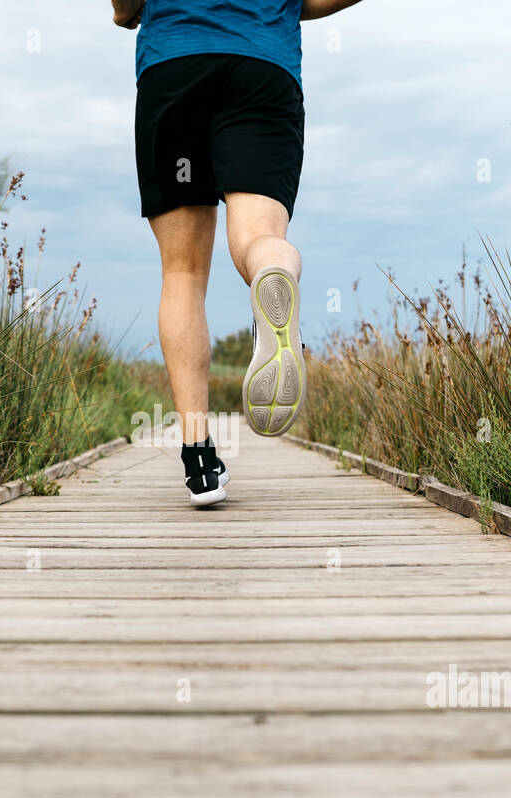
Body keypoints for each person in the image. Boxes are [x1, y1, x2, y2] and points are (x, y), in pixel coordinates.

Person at [111, 0, 364, 505]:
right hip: (261, 68)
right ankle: (273, 268)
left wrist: (126, 13)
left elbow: (125, 5)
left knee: (182, 272)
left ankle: (199, 461)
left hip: (175, 67)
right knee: (256, 239)